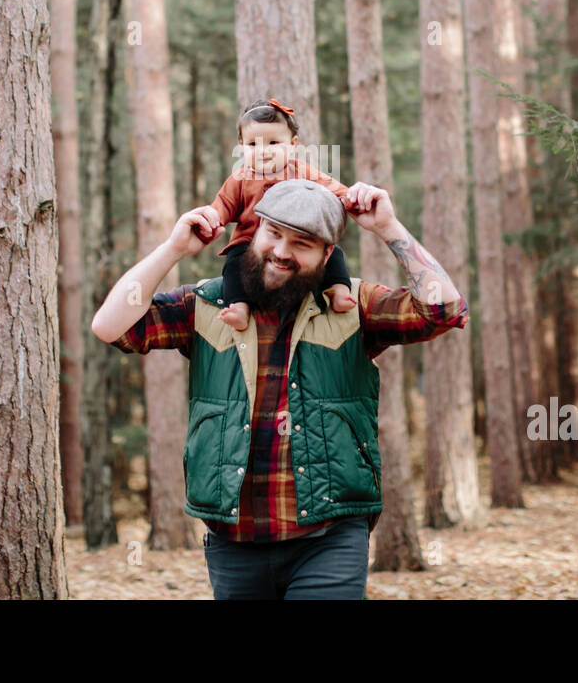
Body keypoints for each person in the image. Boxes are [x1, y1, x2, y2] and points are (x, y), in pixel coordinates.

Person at [90, 176, 469, 600]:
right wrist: (174, 249)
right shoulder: (208, 305)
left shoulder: (353, 307)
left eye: (302, 243)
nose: (281, 252)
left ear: (328, 255)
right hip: (234, 540)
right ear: (256, 230)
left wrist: (389, 229)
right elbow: (110, 326)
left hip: (329, 535)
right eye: (274, 234)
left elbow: (444, 310)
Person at [209, 98, 356, 332]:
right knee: (233, 263)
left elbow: (333, 189)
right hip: (249, 244)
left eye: (273, 143)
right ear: (241, 146)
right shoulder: (239, 179)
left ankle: (340, 290)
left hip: (298, 239)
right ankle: (238, 307)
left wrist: (352, 197)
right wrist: (210, 217)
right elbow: (223, 205)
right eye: (253, 145)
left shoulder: (301, 172)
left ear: (293, 144)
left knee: (332, 253)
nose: (263, 152)